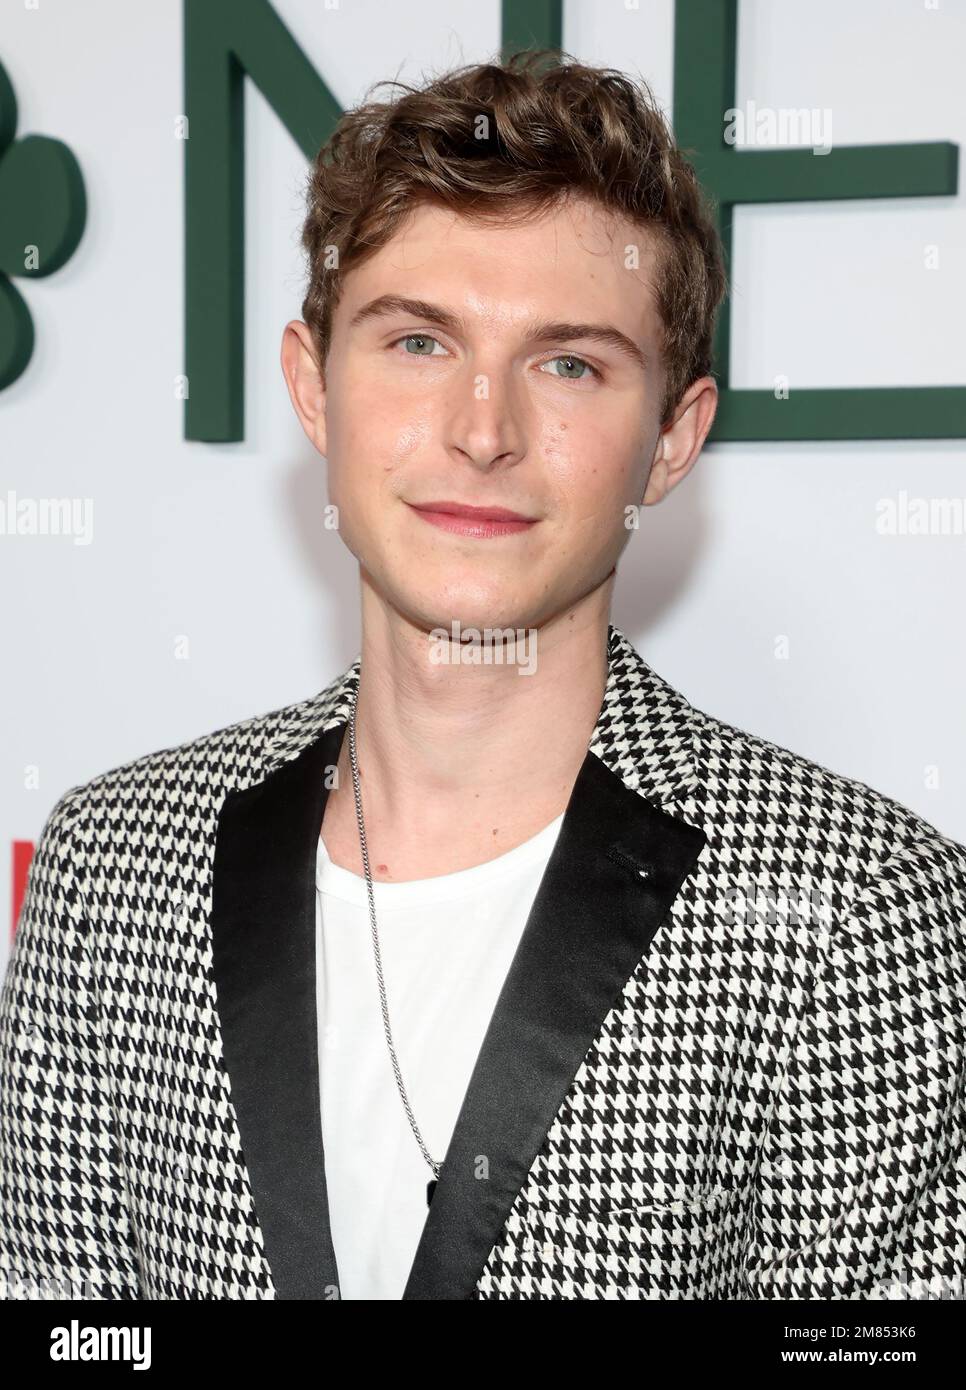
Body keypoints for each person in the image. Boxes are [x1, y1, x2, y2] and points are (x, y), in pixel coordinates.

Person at [1, 50, 964, 1303]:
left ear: (671, 439)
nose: (482, 429)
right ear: (314, 387)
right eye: (416, 341)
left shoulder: (857, 912)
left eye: (569, 363)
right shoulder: (115, 868)